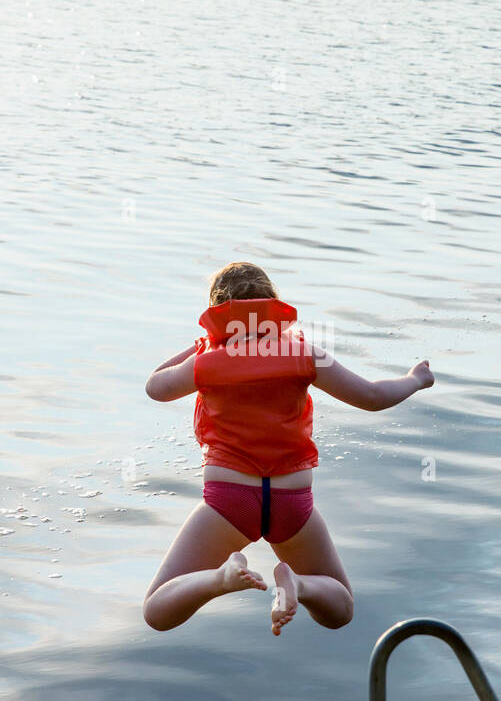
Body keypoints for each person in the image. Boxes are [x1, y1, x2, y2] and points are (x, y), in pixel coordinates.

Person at [143, 261, 434, 636]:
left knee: (157, 610)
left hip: (230, 500)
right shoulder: (304, 354)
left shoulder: (204, 363)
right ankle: (299, 585)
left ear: (216, 313)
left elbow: (155, 387)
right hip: (291, 500)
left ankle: (219, 580)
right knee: (340, 608)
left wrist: (207, 342)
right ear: (276, 308)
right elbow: (372, 397)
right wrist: (414, 380)